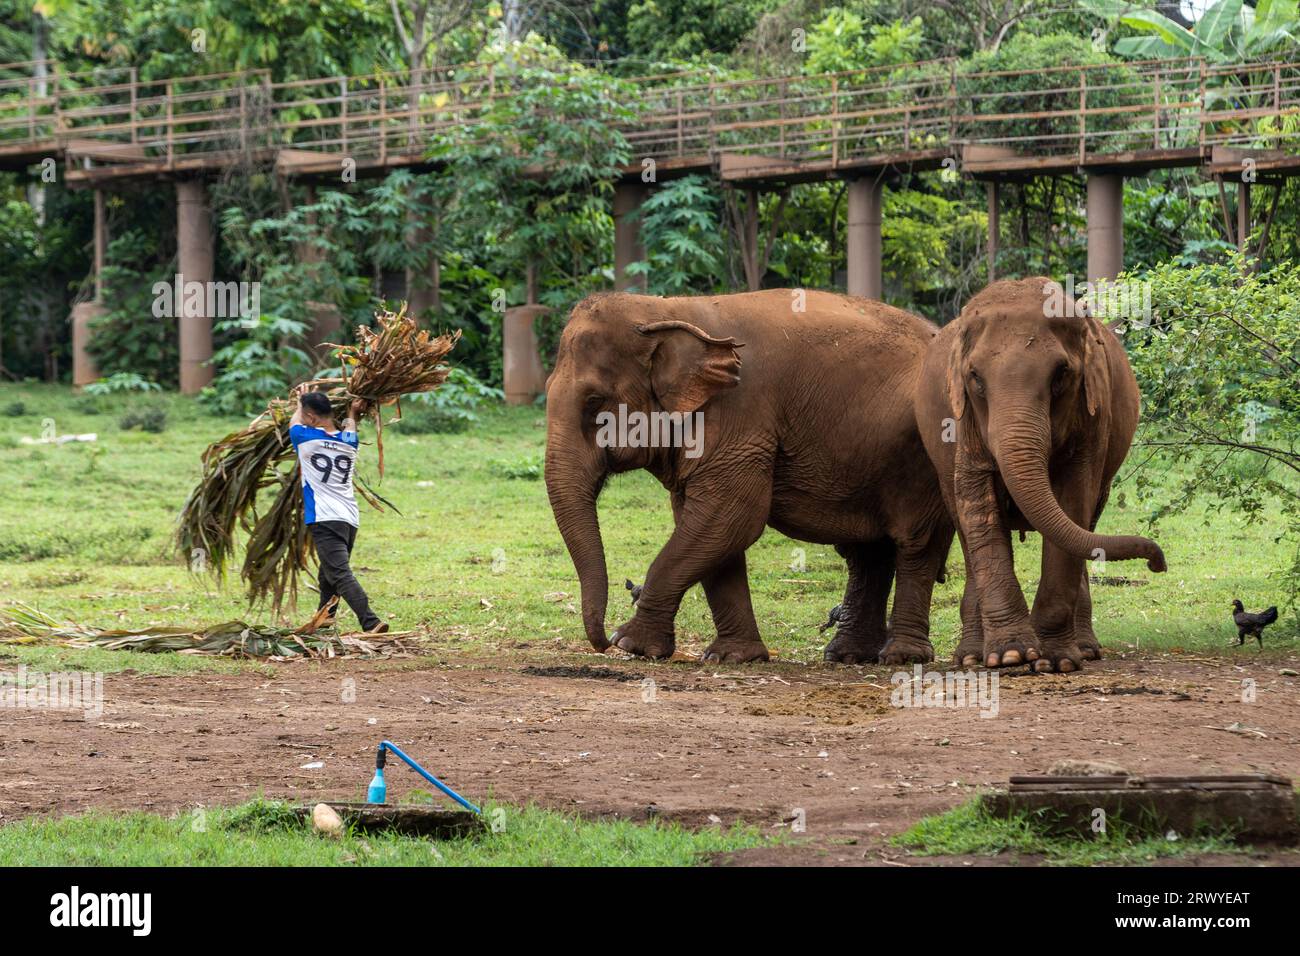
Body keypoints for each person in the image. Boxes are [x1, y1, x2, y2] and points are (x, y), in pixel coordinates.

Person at [288, 388, 387, 633]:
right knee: (328, 575)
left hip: (324, 517)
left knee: (340, 574)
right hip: (348, 518)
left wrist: (299, 402)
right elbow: (350, 426)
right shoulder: (348, 442)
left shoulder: (305, 438)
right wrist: (353, 410)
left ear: (310, 417)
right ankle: (324, 621)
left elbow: (293, 422)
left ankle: (370, 621)